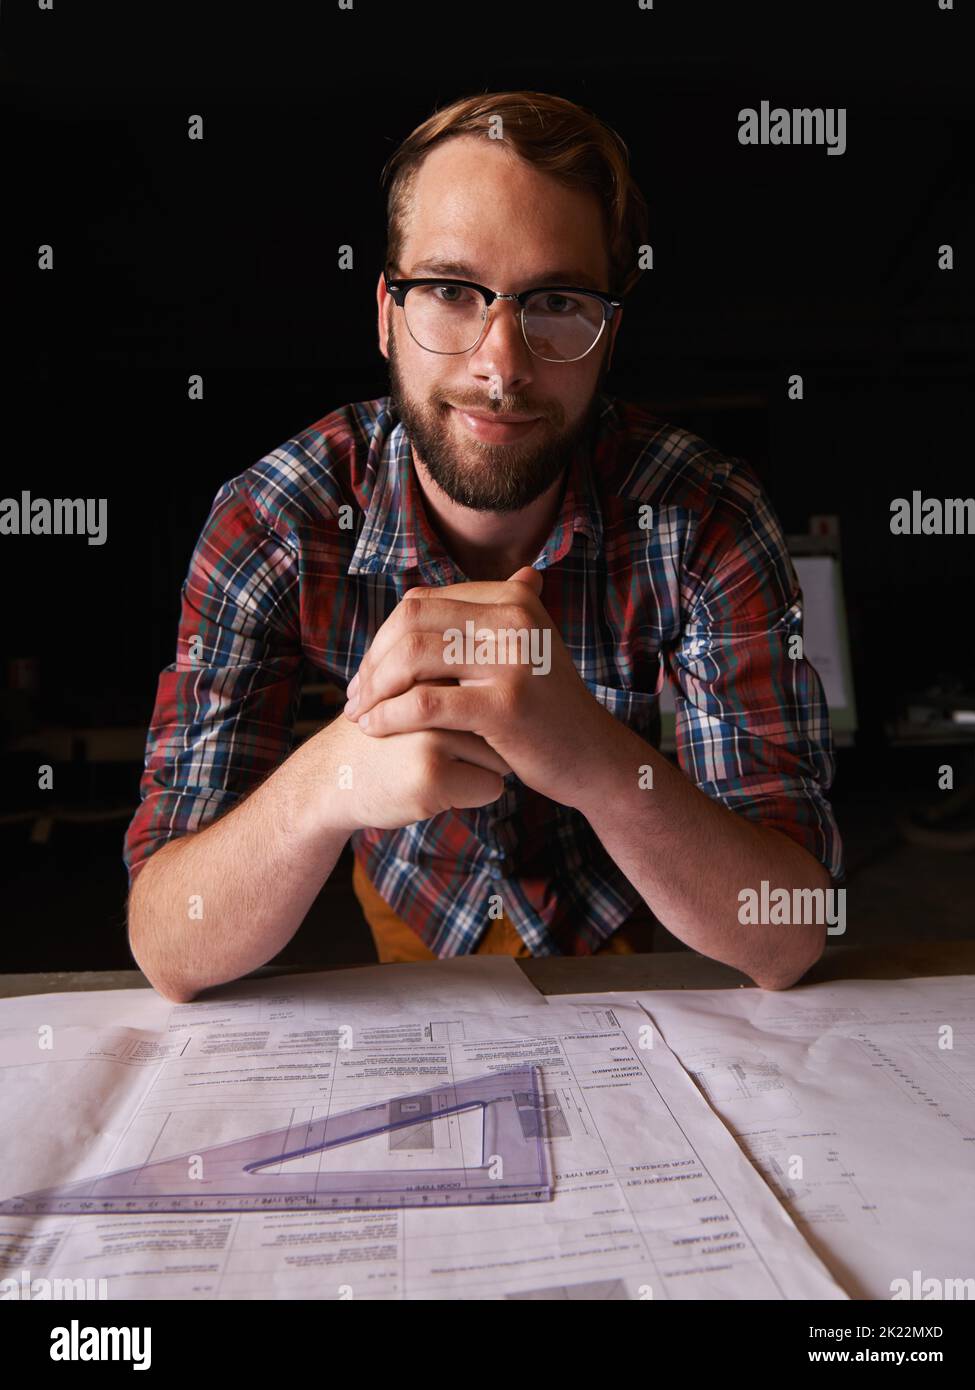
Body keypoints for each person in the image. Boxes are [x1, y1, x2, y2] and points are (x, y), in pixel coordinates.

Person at [124, 90, 843, 1002]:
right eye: (452, 292)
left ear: (608, 332)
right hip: (411, 919)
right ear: (386, 312)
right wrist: (331, 776)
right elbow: (166, 944)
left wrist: (595, 761)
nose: (501, 364)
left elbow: (786, 940)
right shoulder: (269, 522)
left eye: (555, 301)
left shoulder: (706, 517)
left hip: (646, 934)